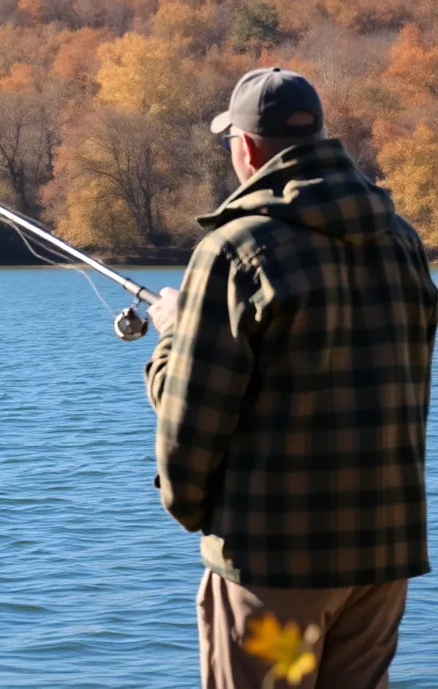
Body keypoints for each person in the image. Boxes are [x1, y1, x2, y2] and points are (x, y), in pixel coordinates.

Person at [144, 67, 436, 689]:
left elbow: (188, 417)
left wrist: (172, 331)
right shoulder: (403, 242)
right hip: (381, 560)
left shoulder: (235, 250)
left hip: (275, 566)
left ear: (248, 149)